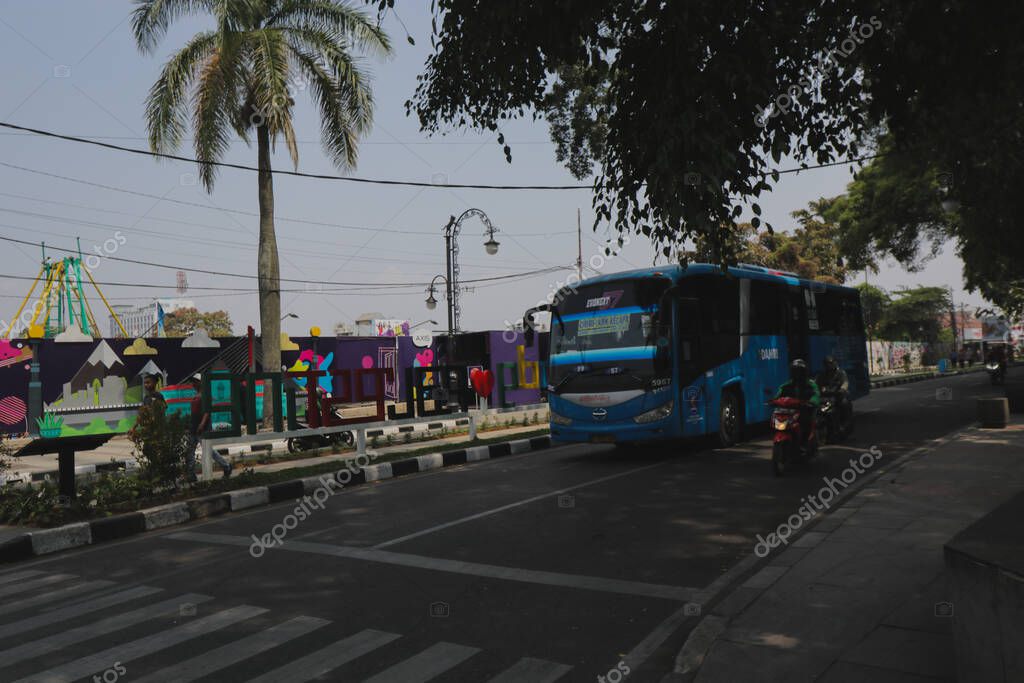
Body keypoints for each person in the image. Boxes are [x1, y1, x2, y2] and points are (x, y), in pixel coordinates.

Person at [186, 375, 232, 479]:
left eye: (195, 382)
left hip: (203, 427)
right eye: (192, 382)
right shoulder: (196, 395)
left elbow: (207, 411)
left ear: (201, 382)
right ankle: (191, 474)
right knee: (190, 451)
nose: (193, 384)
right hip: (193, 427)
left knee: (209, 451)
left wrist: (202, 424)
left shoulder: (205, 394)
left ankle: (226, 466)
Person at [774, 359, 821, 445]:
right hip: (790, 412)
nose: (797, 374)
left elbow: (816, 395)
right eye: (795, 371)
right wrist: (774, 401)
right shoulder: (786, 385)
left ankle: (805, 442)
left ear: (804, 372)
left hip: (805, 410)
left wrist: (812, 402)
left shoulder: (810, 384)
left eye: (799, 371)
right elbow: (778, 394)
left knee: (806, 422)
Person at [816, 355, 852, 425]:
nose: (828, 365)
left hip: (837, 395)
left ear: (835, 363)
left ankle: (845, 422)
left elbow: (845, 382)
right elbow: (816, 383)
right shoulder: (821, 375)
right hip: (825, 396)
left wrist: (842, 389)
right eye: (826, 364)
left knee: (844, 403)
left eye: (830, 363)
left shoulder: (841, 373)